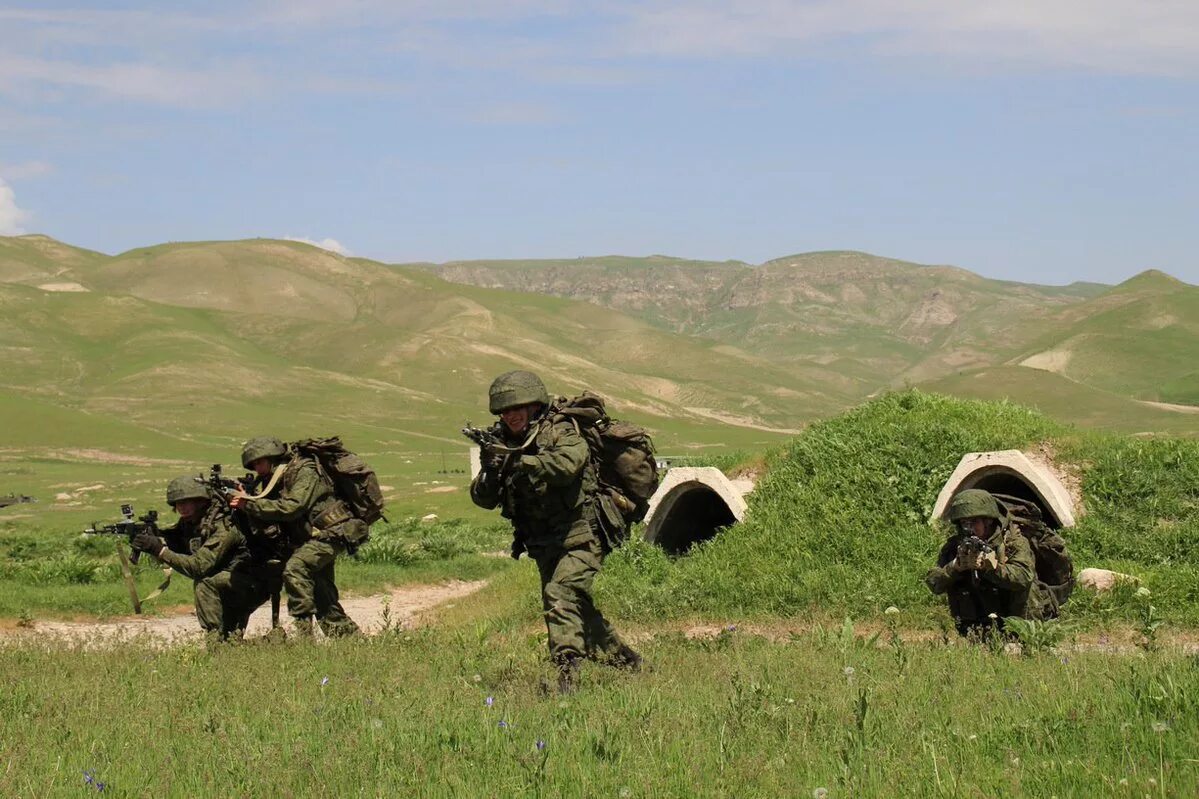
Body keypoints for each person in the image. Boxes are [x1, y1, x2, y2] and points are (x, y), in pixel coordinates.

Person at [469, 370, 641, 692]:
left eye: (517, 408)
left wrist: (520, 462)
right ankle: (627, 661)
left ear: (534, 405)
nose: (511, 416)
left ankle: (567, 677)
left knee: (559, 595)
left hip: (583, 534)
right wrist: (492, 470)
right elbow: (483, 499)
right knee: (576, 607)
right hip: (543, 541)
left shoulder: (561, 429)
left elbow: (567, 465)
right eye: (504, 411)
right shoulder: (502, 441)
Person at [229, 436, 362, 638]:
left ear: (272, 457)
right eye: (253, 465)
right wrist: (249, 500)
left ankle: (304, 636)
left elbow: (293, 507)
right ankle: (351, 641)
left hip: (331, 533)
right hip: (311, 540)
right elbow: (271, 521)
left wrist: (249, 504)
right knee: (322, 595)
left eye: (258, 462)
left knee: (296, 569)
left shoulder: (303, 469)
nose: (256, 469)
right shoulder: (274, 480)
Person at [131, 475, 271, 641]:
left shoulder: (223, 526)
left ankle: (213, 637)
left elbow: (197, 567)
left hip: (251, 584)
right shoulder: (192, 522)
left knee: (205, 582)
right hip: (230, 584)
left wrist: (159, 550)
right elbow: (178, 540)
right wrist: (154, 536)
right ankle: (272, 642)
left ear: (200, 501)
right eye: (178, 503)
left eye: (186, 502)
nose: (181, 507)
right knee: (230, 643)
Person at [925, 488, 1053, 637]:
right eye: (964, 523)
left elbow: (1024, 577)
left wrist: (993, 568)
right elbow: (934, 583)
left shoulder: (1013, 542)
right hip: (978, 628)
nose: (969, 528)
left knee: (1028, 588)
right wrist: (954, 567)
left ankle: (1024, 637)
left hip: (1016, 622)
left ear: (988, 520)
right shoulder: (955, 547)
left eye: (974, 522)